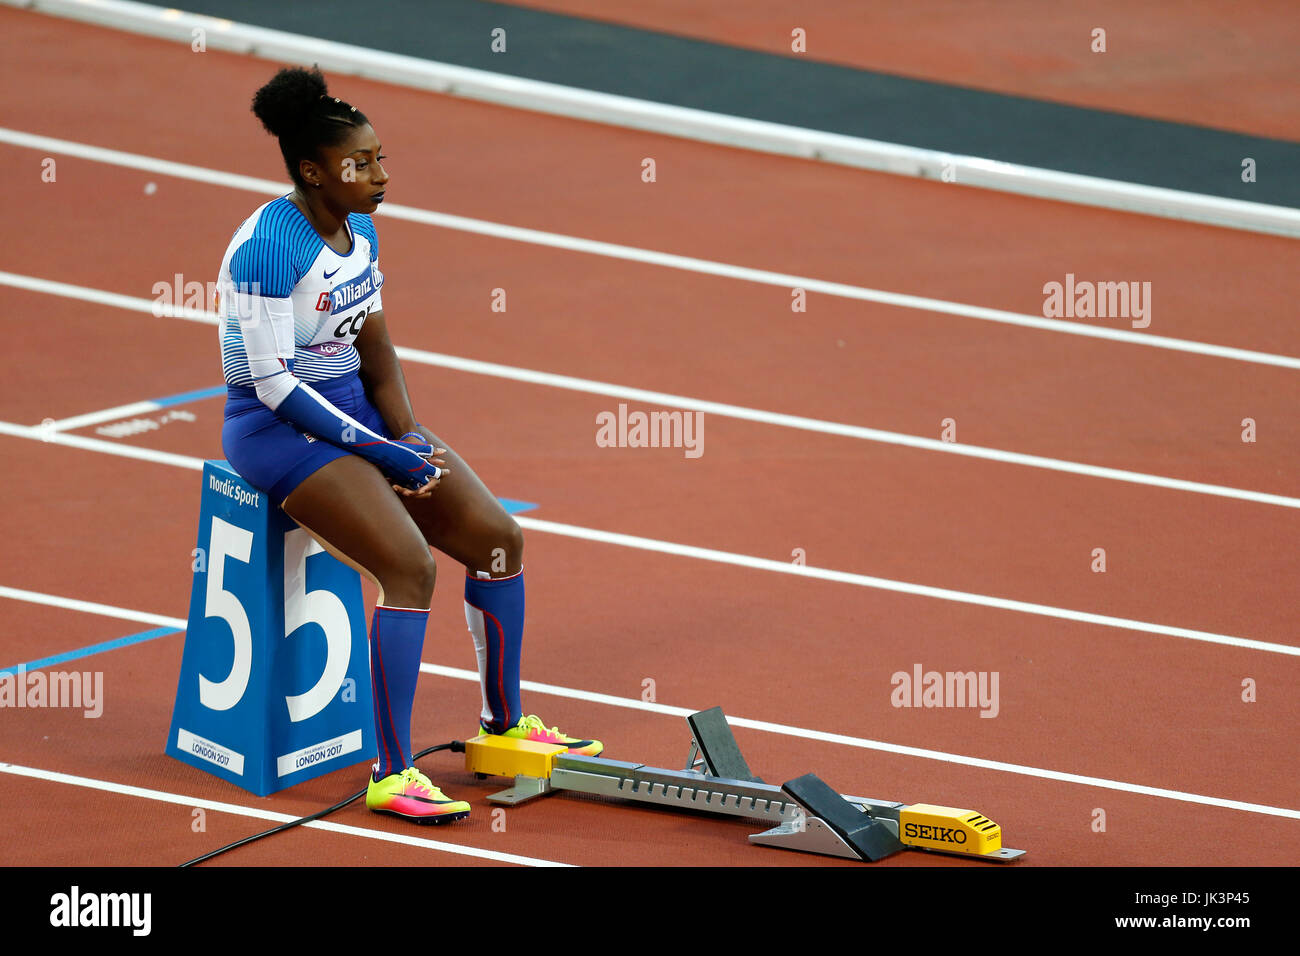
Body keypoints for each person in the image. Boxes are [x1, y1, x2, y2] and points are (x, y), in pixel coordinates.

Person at [216, 66, 602, 825]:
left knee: (497, 537)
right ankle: (392, 773)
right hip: (278, 432)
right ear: (311, 170)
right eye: (363, 163)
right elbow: (272, 387)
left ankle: (502, 728)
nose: (382, 174)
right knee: (409, 567)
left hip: (356, 411)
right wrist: (382, 456)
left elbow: (377, 349)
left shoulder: (360, 229)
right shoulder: (266, 249)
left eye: (382, 157)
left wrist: (408, 433)